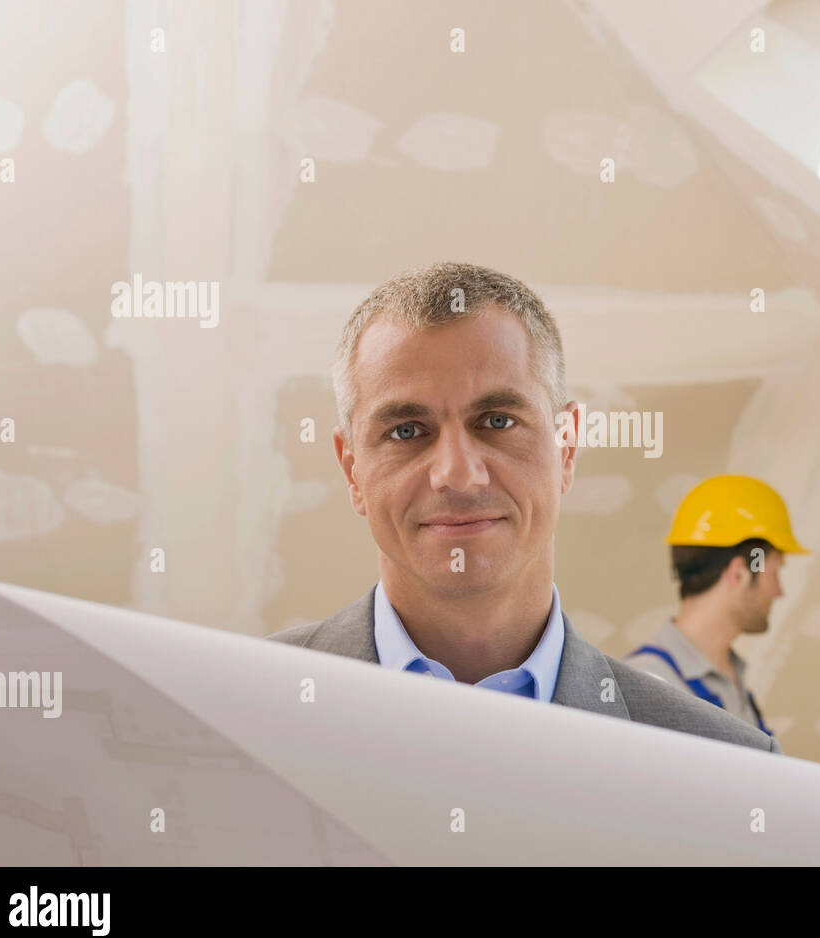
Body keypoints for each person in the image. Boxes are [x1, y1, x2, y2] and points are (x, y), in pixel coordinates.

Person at [267, 262, 778, 755]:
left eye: (497, 422)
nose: (458, 474)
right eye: (406, 431)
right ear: (352, 469)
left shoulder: (727, 763)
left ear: (567, 448)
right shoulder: (237, 712)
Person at [625, 475, 807, 738]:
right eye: (775, 573)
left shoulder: (731, 675)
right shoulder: (648, 684)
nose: (780, 592)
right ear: (740, 574)